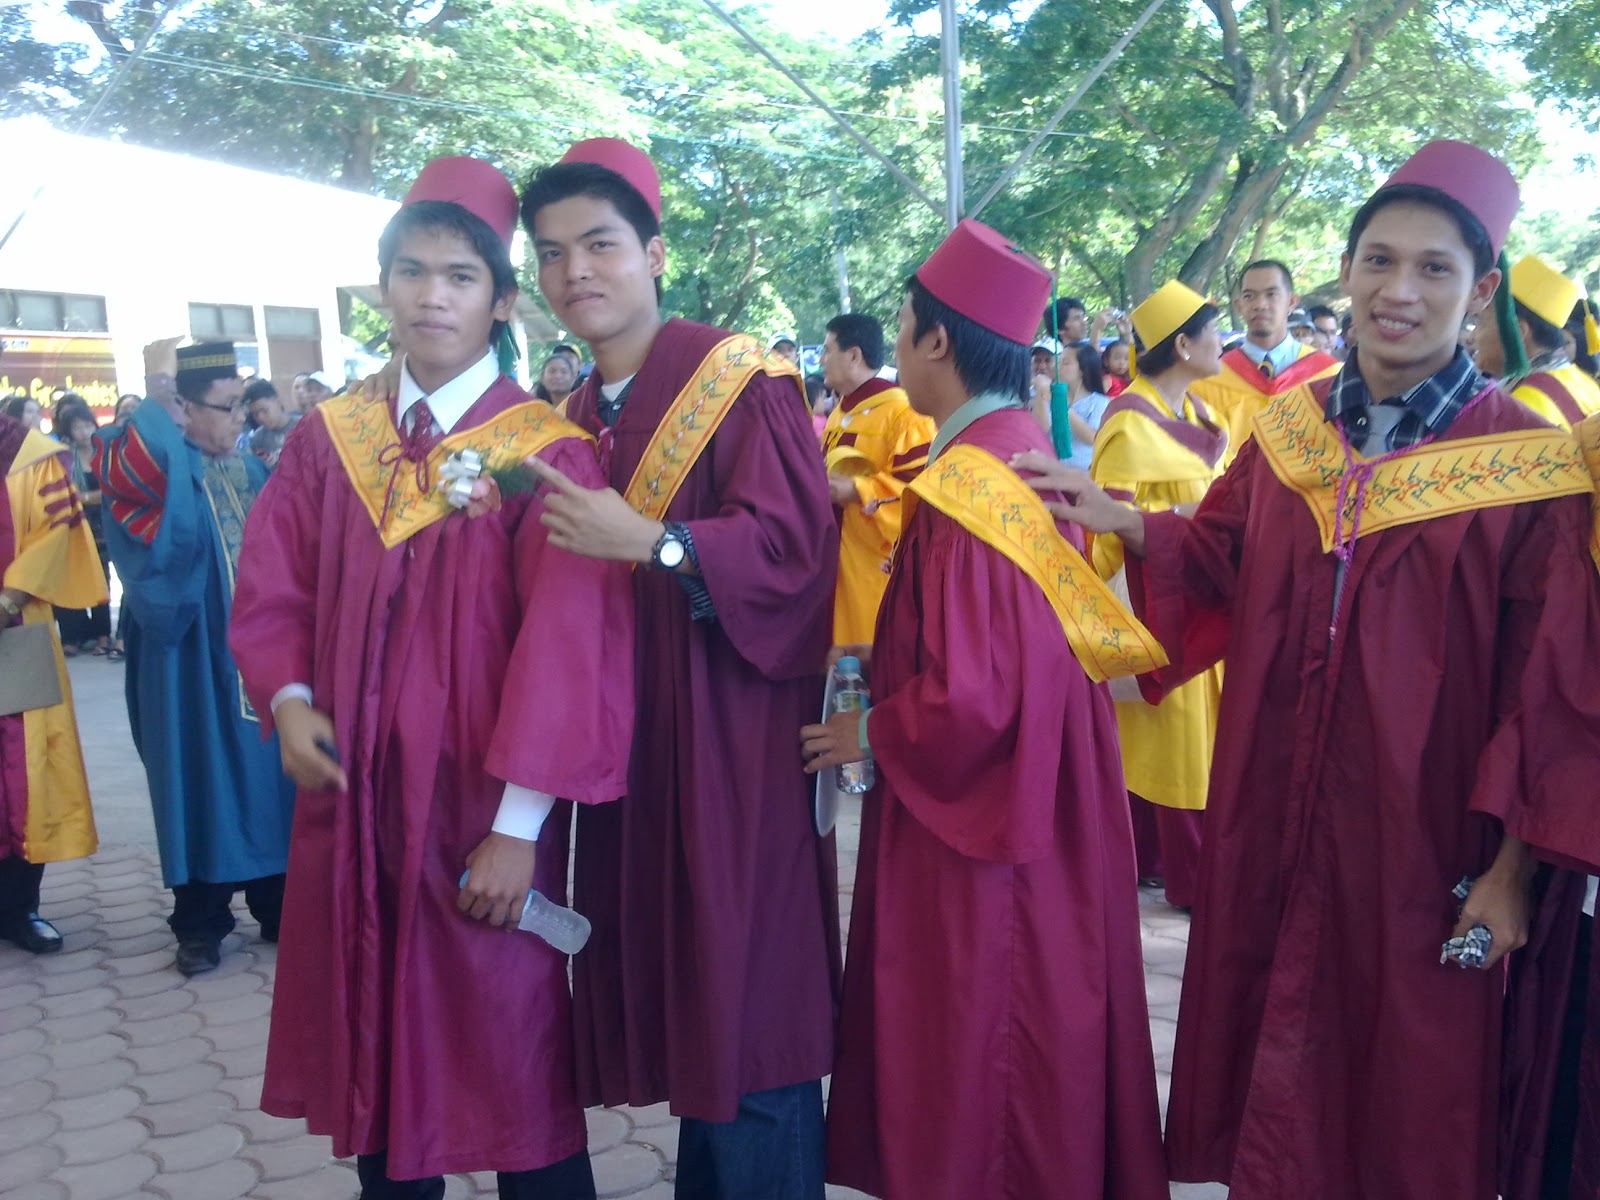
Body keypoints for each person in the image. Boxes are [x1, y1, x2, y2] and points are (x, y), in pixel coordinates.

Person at [1014, 139, 1600, 1199]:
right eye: (1378, 261)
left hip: (1424, 837)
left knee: (1408, 1092)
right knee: (1273, 1057)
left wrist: (1512, 875)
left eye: (1434, 269)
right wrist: (1130, 524)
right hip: (1276, 803)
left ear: (1477, 294)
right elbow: (1227, 559)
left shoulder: (1522, 466)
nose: (1399, 291)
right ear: (1347, 271)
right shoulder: (1289, 432)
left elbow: (1545, 692)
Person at [229, 156, 630, 1199]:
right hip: (357, 806)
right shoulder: (332, 442)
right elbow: (276, 589)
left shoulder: (545, 453)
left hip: (476, 810)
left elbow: (569, 643)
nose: (431, 295)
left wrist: (519, 826)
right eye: (410, 272)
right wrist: (290, 700)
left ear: (501, 301)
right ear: (381, 289)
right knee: (377, 1058)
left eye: (460, 275)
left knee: (514, 1061)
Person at [802, 218, 1168, 1200]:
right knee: (1036, 1019)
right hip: (1047, 789)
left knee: (986, 1040)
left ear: (933, 342)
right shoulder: (1008, 459)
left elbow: (976, 692)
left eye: (903, 321)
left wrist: (867, 727)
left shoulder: (974, 486)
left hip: (989, 817)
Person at [518, 137, 840, 1199]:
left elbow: (796, 554)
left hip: (730, 751)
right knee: (695, 1016)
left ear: (655, 253)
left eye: (601, 245)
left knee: (749, 1015)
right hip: (629, 761)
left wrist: (660, 543)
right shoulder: (565, 421)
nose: (578, 273)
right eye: (554, 253)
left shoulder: (738, 380)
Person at [95, 341, 296, 976]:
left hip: (260, 664)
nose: (241, 418)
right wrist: (159, 392)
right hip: (188, 660)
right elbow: (132, 453)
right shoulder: (160, 470)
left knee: (271, 779)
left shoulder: (255, 471)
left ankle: (278, 907)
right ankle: (200, 922)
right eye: (228, 406)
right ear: (184, 407)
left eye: (243, 405)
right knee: (196, 777)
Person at [1090, 281, 1226, 909]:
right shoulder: (1129, 422)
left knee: (1194, 736)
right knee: (1171, 734)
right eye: (1211, 332)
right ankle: (1183, 871)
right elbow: (1103, 524)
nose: (1220, 343)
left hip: (1203, 594)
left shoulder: (1202, 417)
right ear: (1183, 344)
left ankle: (1164, 862)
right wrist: (1180, 519)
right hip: (1159, 600)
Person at [0, 410, 106, 954]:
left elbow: (56, 528)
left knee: (26, 768)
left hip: (16, 628)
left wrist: (9, 597)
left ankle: (21, 908)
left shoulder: (29, 453)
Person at [819, 311, 934, 645]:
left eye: (828, 350)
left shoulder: (903, 412)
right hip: (832, 558)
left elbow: (923, 491)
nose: (821, 360)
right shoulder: (839, 413)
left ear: (854, 355)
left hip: (874, 563)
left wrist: (858, 489)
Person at [1191, 259, 1340, 466]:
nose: (1260, 305)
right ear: (1239, 306)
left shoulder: (1331, 375)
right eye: (1249, 296)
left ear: (1292, 302)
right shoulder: (1208, 381)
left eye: (1271, 294)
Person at [1473, 254, 1600, 430]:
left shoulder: (1519, 411)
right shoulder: (1584, 383)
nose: (1472, 337)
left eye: (1480, 322)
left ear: (1518, 331)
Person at [52, 406, 112, 656]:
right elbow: (67, 492)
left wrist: (86, 496)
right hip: (76, 526)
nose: (84, 431)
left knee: (103, 580)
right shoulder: (66, 456)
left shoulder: (105, 452)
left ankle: (102, 635)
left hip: (106, 527)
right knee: (75, 578)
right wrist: (90, 497)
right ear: (69, 431)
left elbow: (112, 490)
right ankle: (74, 636)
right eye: (77, 427)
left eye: (87, 425)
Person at [241, 378, 300, 469]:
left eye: (264, 410)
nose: (260, 417)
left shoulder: (302, 426)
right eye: (255, 414)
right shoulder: (258, 438)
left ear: (278, 402)